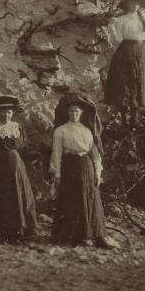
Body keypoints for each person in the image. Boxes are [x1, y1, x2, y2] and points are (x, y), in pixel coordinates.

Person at [0, 94, 39, 240]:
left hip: (17, 166)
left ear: (13, 113)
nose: (6, 115)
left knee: (20, 193)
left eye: (9, 112)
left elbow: (22, 147)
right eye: (2, 112)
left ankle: (22, 226)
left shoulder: (17, 128)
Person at [50, 95, 106, 246]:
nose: (73, 114)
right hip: (69, 166)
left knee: (90, 198)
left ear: (81, 113)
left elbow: (94, 153)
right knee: (72, 199)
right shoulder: (61, 131)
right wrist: (57, 174)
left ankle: (93, 235)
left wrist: (97, 172)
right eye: (71, 111)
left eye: (76, 112)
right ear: (67, 113)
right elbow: (56, 153)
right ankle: (72, 236)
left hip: (86, 166)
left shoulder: (87, 131)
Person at [104, 0, 145, 128]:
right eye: (131, 2)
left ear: (140, 4)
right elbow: (117, 40)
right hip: (124, 51)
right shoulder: (120, 20)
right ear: (126, 4)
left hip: (140, 52)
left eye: (137, 2)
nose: (134, 5)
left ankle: (134, 118)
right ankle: (124, 120)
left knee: (137, 83)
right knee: (122, 84)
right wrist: (112, 27)